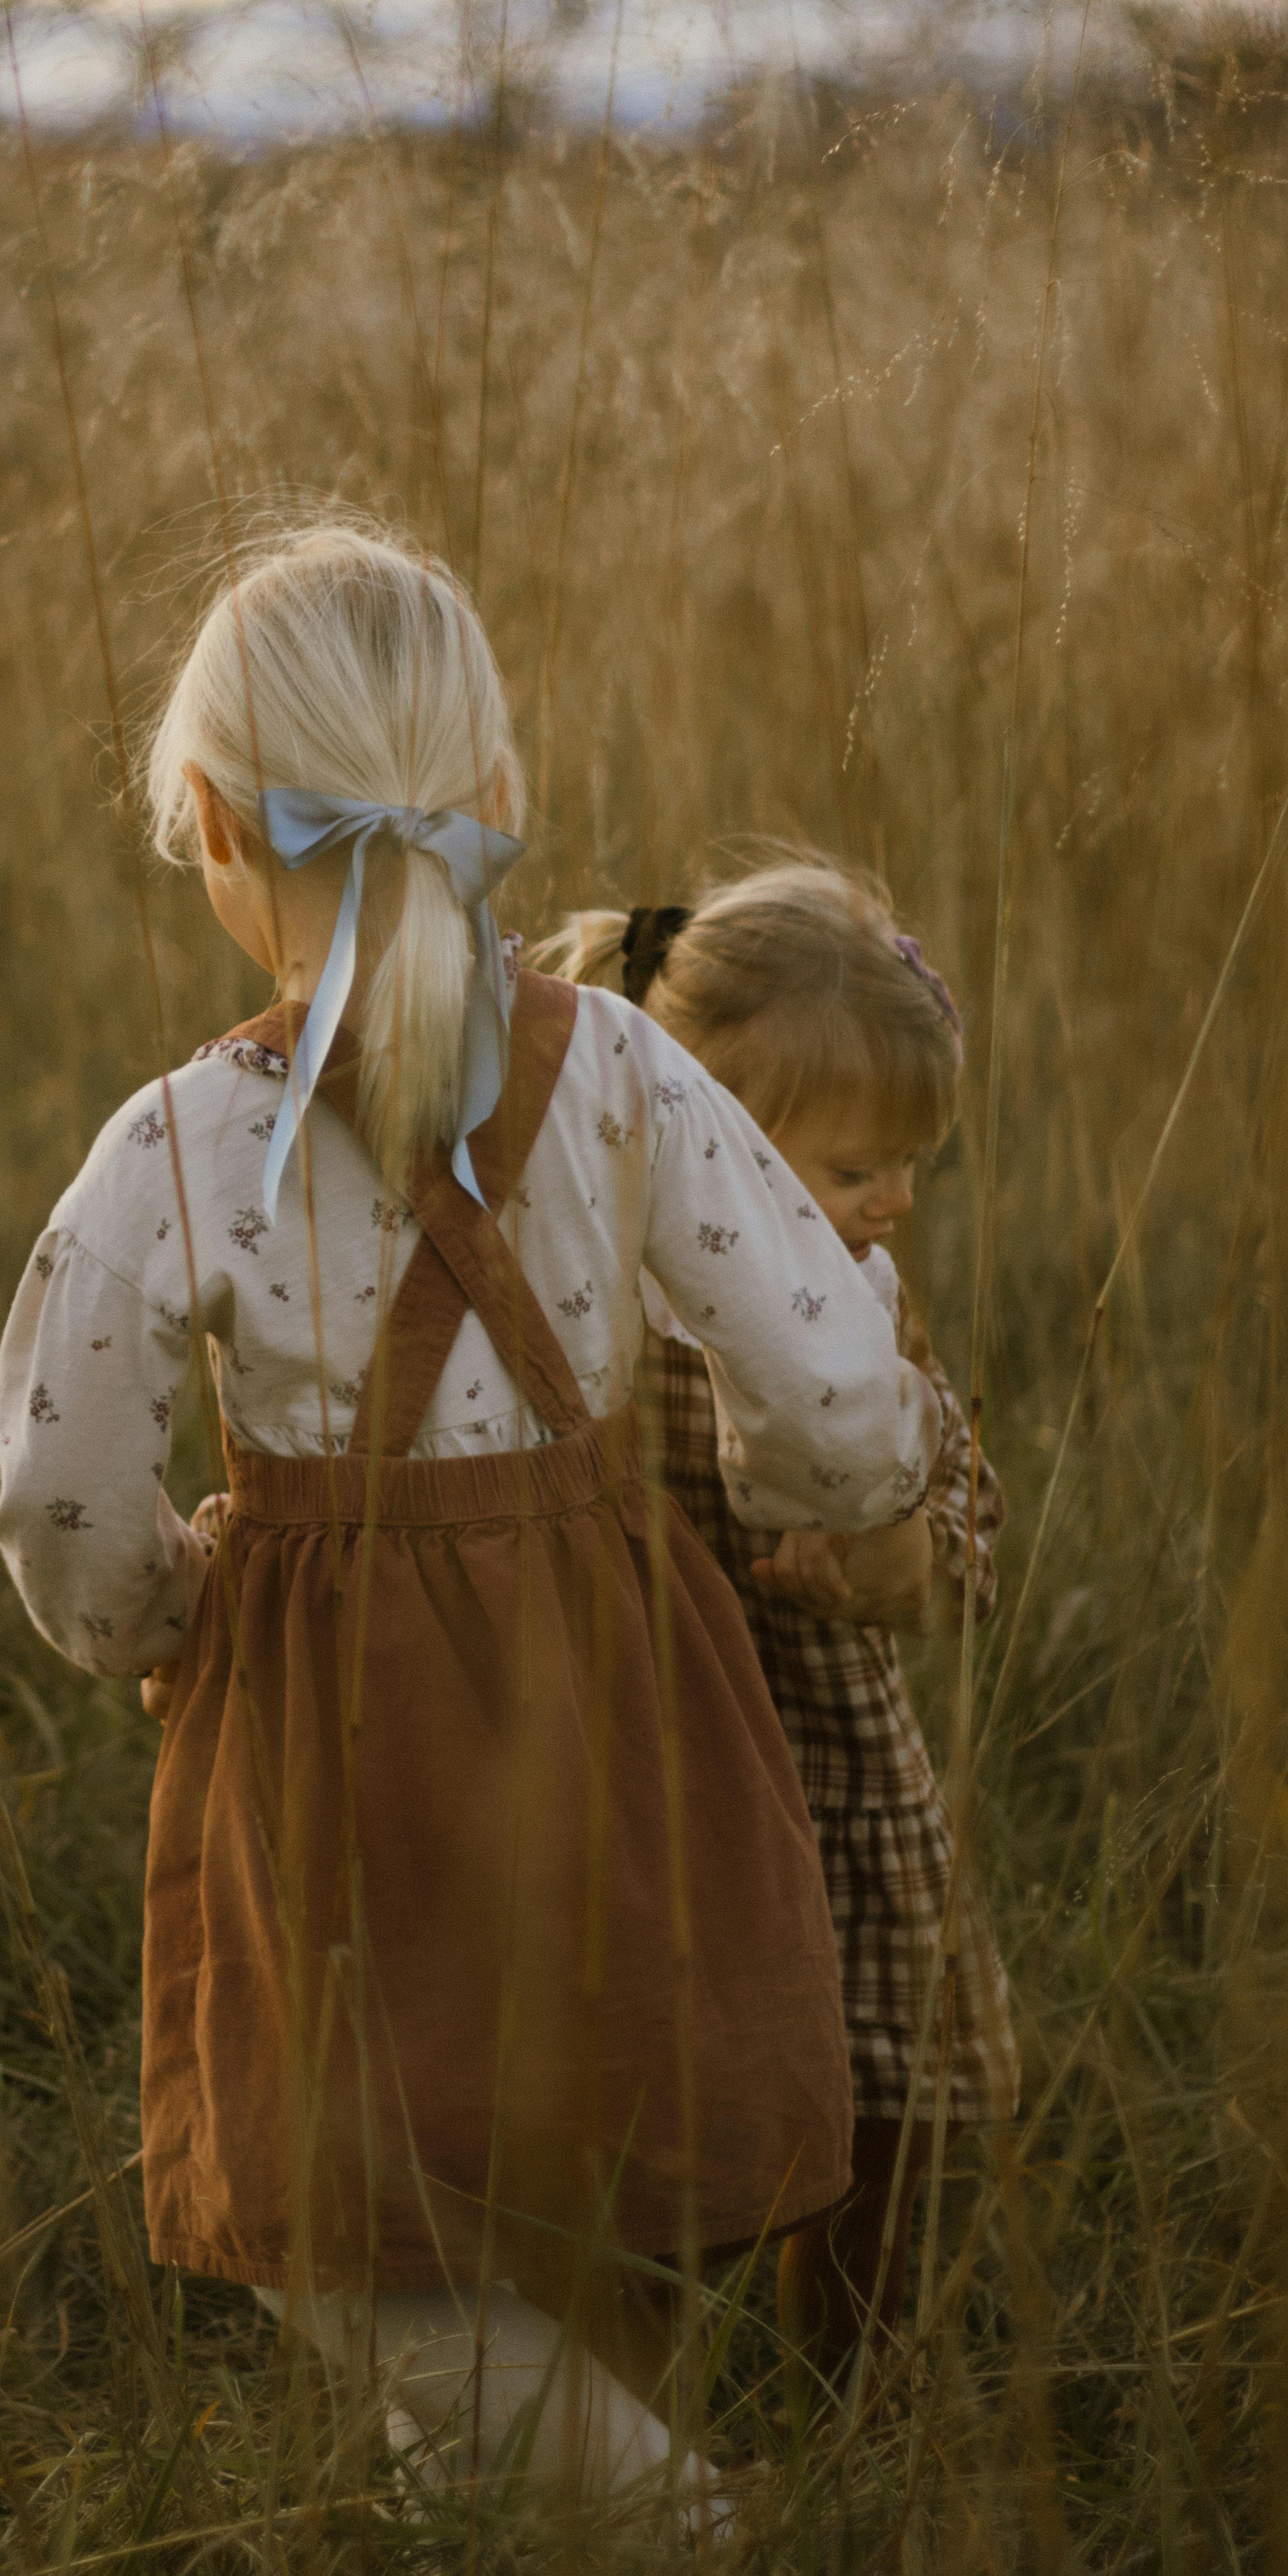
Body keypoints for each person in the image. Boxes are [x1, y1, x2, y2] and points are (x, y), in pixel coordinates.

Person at [0, 519, 946, 2510]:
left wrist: (160, 1615)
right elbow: (845, 1403)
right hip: (617, 1663)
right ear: (495, 804)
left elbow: (60, 1494)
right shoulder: (616, 1066)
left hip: (332, 1716)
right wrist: (793, 1498)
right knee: (592, 2093)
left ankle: (650, 2510)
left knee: (335, 2177)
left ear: (203, 818)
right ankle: (519, 2483)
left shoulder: (172, 1142)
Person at [541, 870, 1018, 2407]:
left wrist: (906, 1562)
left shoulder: (857, 1296)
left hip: (829, 1736)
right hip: (646, 1759)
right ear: (708, 1146)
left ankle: (856, 2379)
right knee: (661, 2081)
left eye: (911, 1167)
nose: (892, 1203)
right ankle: (623, 2396)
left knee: (907, 2058)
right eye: (855, 1165)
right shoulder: (596, 1307)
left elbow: (955, 1483)